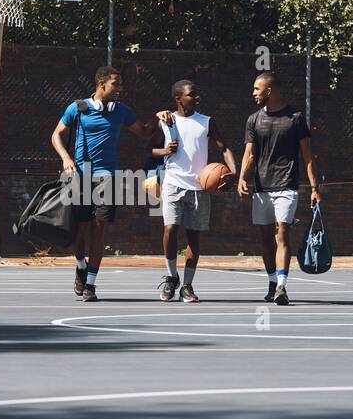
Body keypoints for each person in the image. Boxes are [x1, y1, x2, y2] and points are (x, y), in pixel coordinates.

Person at [50, 66, 170, 302]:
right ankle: (80, 266)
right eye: (116, 83)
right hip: (82, 175)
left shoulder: (122, 111)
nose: (120, 88)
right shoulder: (79, 108)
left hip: (109, 177)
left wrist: (158, 117)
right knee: (81, 229)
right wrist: (66, 158)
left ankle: (91, 285)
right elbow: (56, 135)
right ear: (101, 84)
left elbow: (145, 132)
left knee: (99, 229)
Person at [236, 71, 321, 305]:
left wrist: (315, 188)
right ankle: (273, 281)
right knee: (265, 238)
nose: (253, 93)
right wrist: (242, 177)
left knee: (281, 232)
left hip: (286, 185)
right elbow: (249, 154)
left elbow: (308, 156)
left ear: (269, 90)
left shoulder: (295, 118)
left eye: (256, 89)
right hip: (262, 187)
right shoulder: (253, 120)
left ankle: (282, 286)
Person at [152, 80, 236, 302]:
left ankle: (187, 285)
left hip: (199, 185)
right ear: (179, 98)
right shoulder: (166, 120)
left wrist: (234, 172)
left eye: (197, 94)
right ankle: (172, 278)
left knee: (193, 236)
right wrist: (163, 151)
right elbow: (150, 149)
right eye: (192, 94)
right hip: (172, 182)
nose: (196, 97)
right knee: (170, 229)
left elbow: (224, 147)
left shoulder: (206, 122)